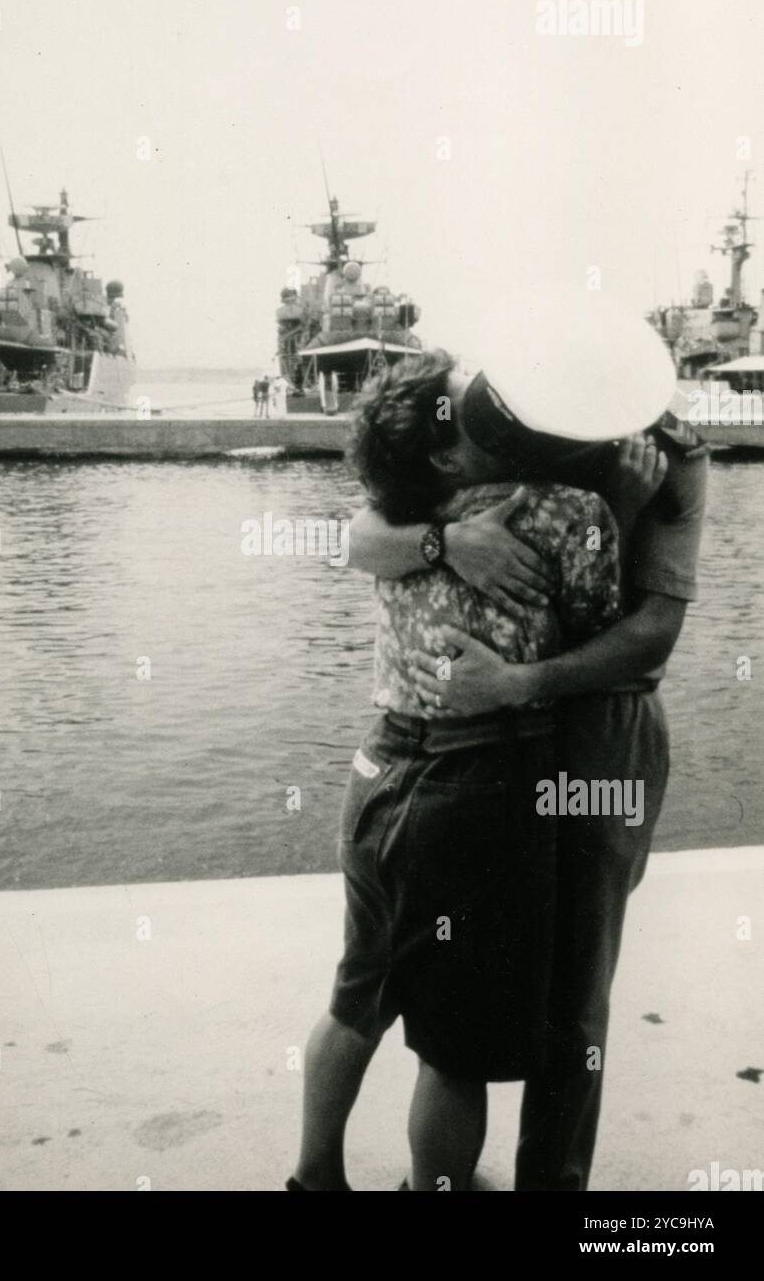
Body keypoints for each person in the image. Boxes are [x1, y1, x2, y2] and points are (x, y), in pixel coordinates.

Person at [296, 308, 706, 1191]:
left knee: (361, 994)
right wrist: (608, 517)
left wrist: (443, 545)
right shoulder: (540, 486)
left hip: (387, 767)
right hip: (474, 782)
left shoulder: (421, 490)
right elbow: (598, 621)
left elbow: (651, 637)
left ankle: (316, 1178)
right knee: (459, 1043)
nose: (489, 410)